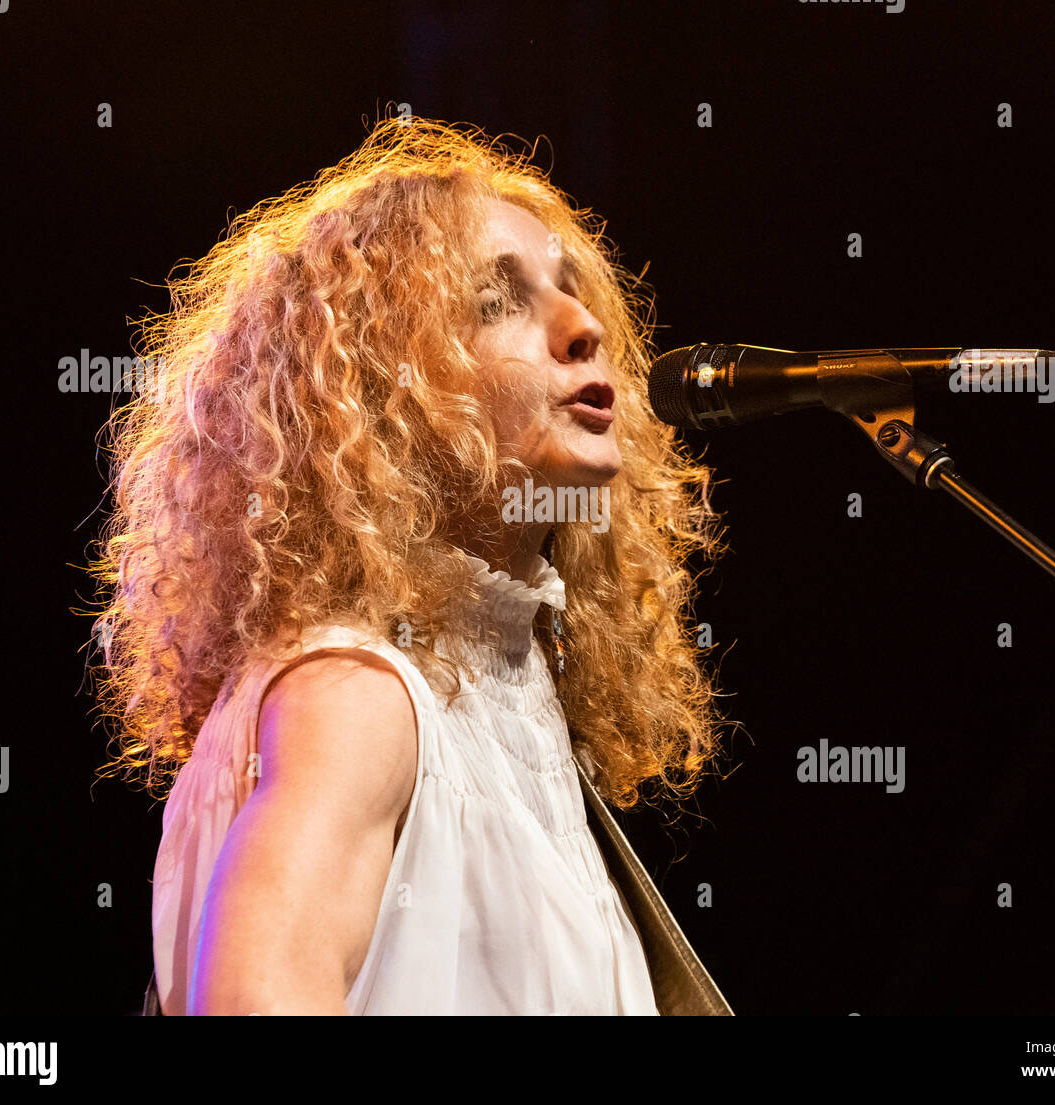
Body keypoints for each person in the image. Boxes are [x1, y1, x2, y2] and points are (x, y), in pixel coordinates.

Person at [90, 114, 733, 1015]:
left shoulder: (503, 711)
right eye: (497, 299)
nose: (584, 325)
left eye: (570, 287)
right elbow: (253, 998)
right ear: (386, 388)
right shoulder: (357, 692)